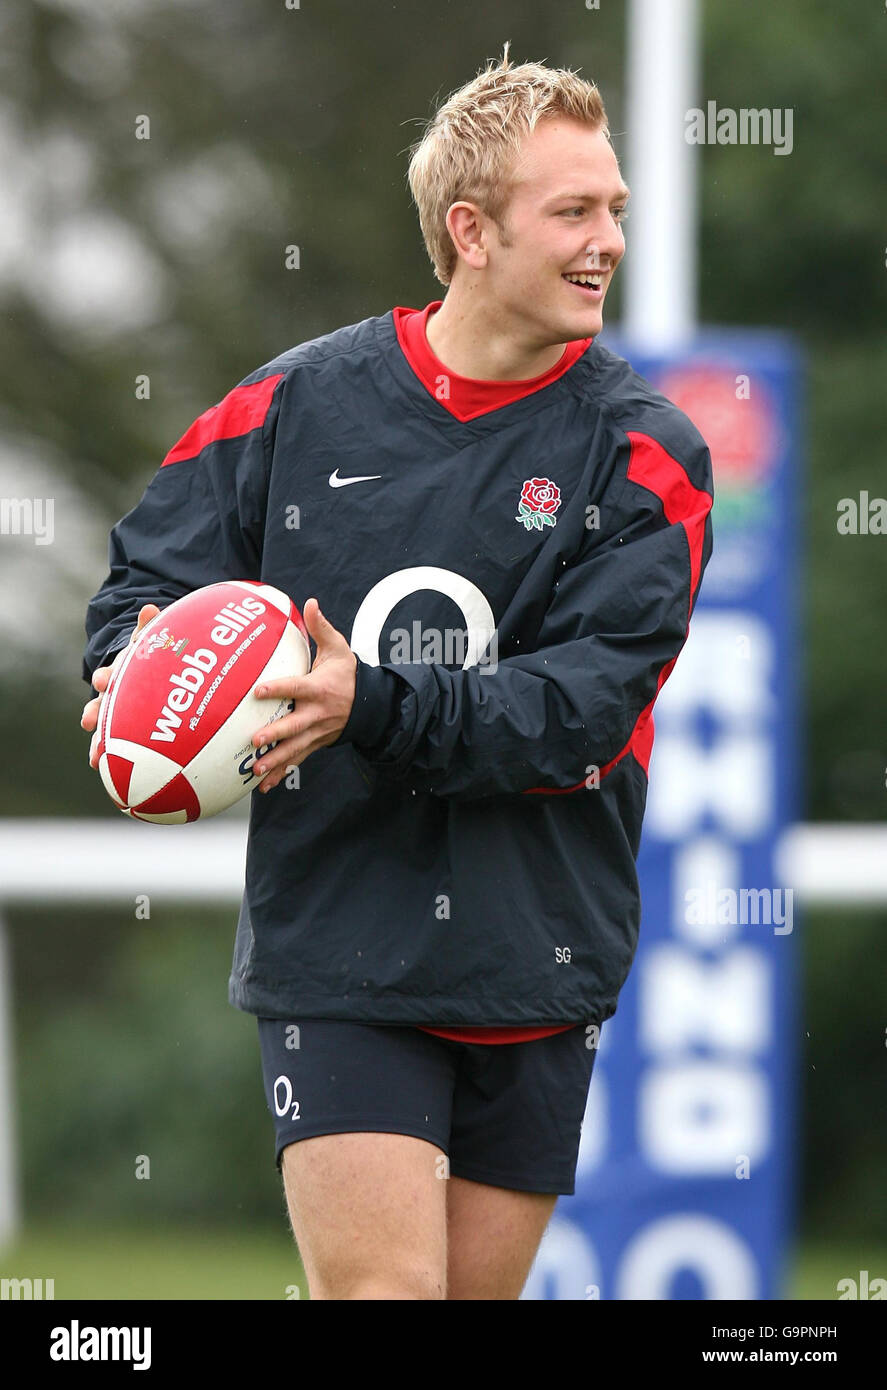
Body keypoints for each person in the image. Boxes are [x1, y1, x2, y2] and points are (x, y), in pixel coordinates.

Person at [80, 44, 713, 1300]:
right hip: (343, 947)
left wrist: (365, 698)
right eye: (573, 212)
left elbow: (575, 714)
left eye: (617, 212)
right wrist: (129, 679)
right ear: (471, 231)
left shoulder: (648, 456)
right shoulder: (291, 408)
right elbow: (144, 590)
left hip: (535, 950)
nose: (607, 242)